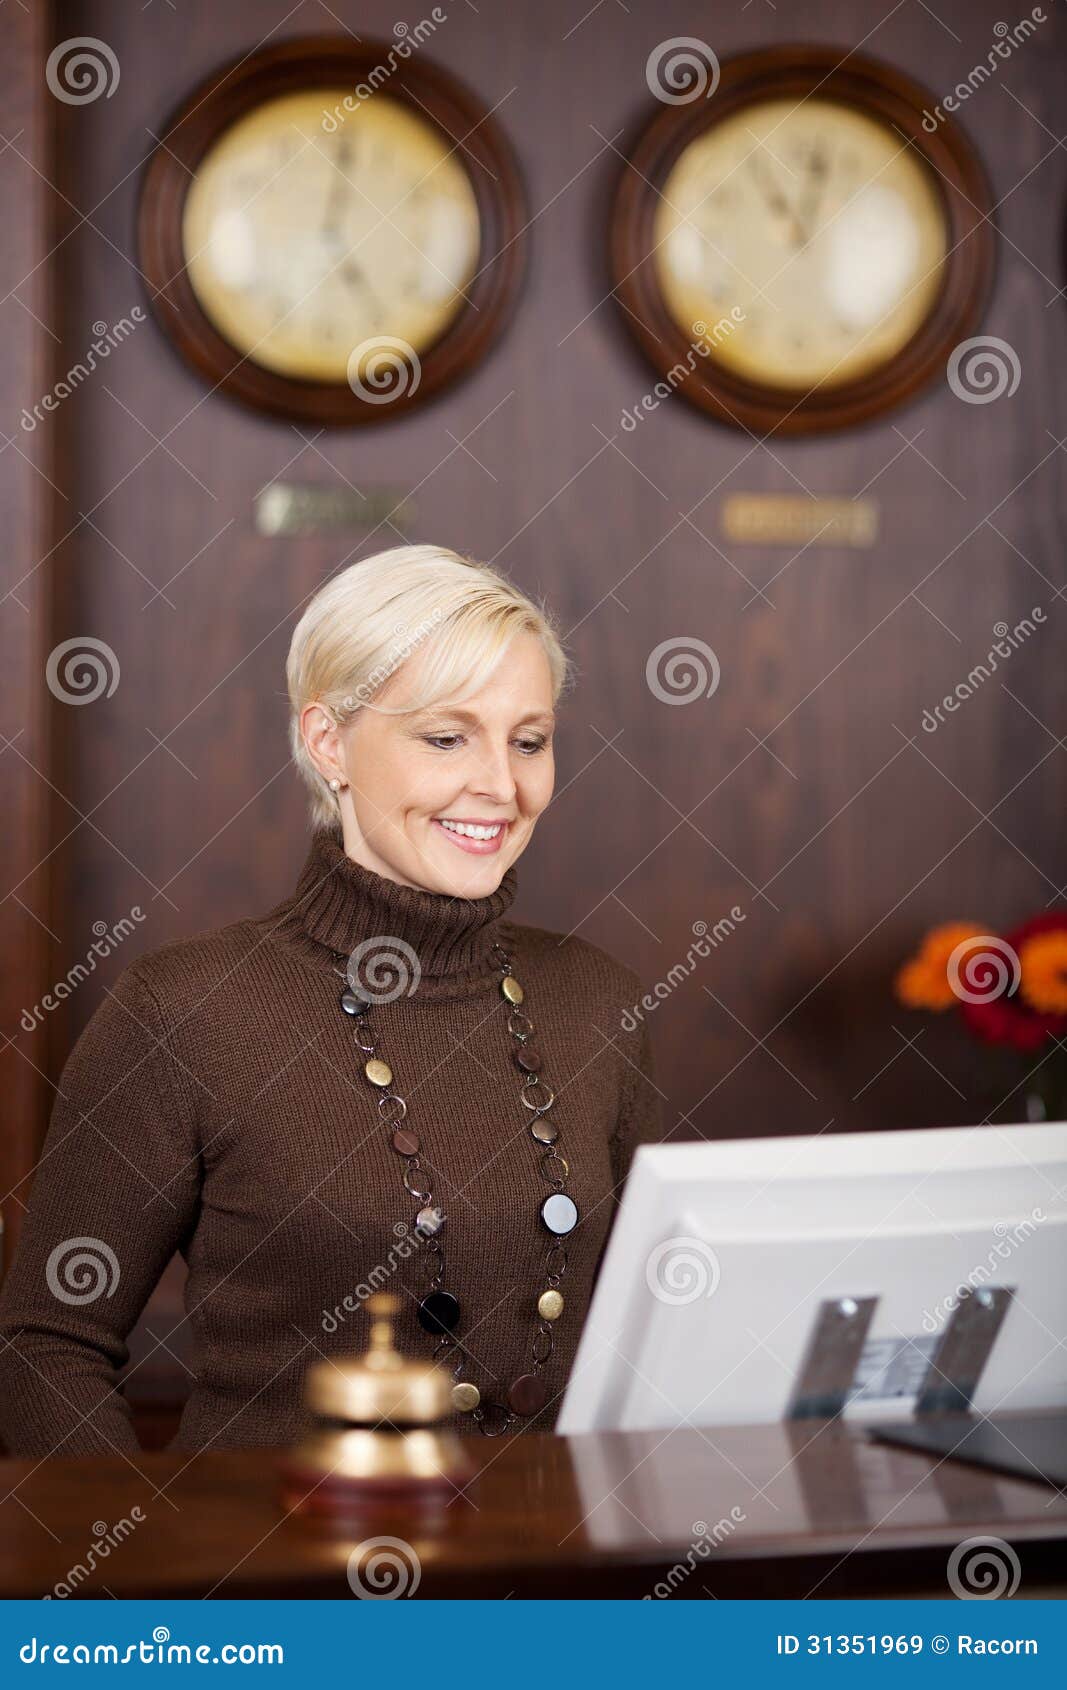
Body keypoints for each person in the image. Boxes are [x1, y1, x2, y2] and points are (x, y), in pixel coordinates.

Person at [0, 543, 662, 1455]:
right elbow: (45, 1346)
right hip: (273, 1547)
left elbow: (657, 1335)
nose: (501, 787)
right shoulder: (184, 1012)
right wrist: (150, 1537)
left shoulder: (596, 1000)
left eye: (528, 741)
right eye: (445, 738)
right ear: (328, 742)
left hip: (553, 1549)